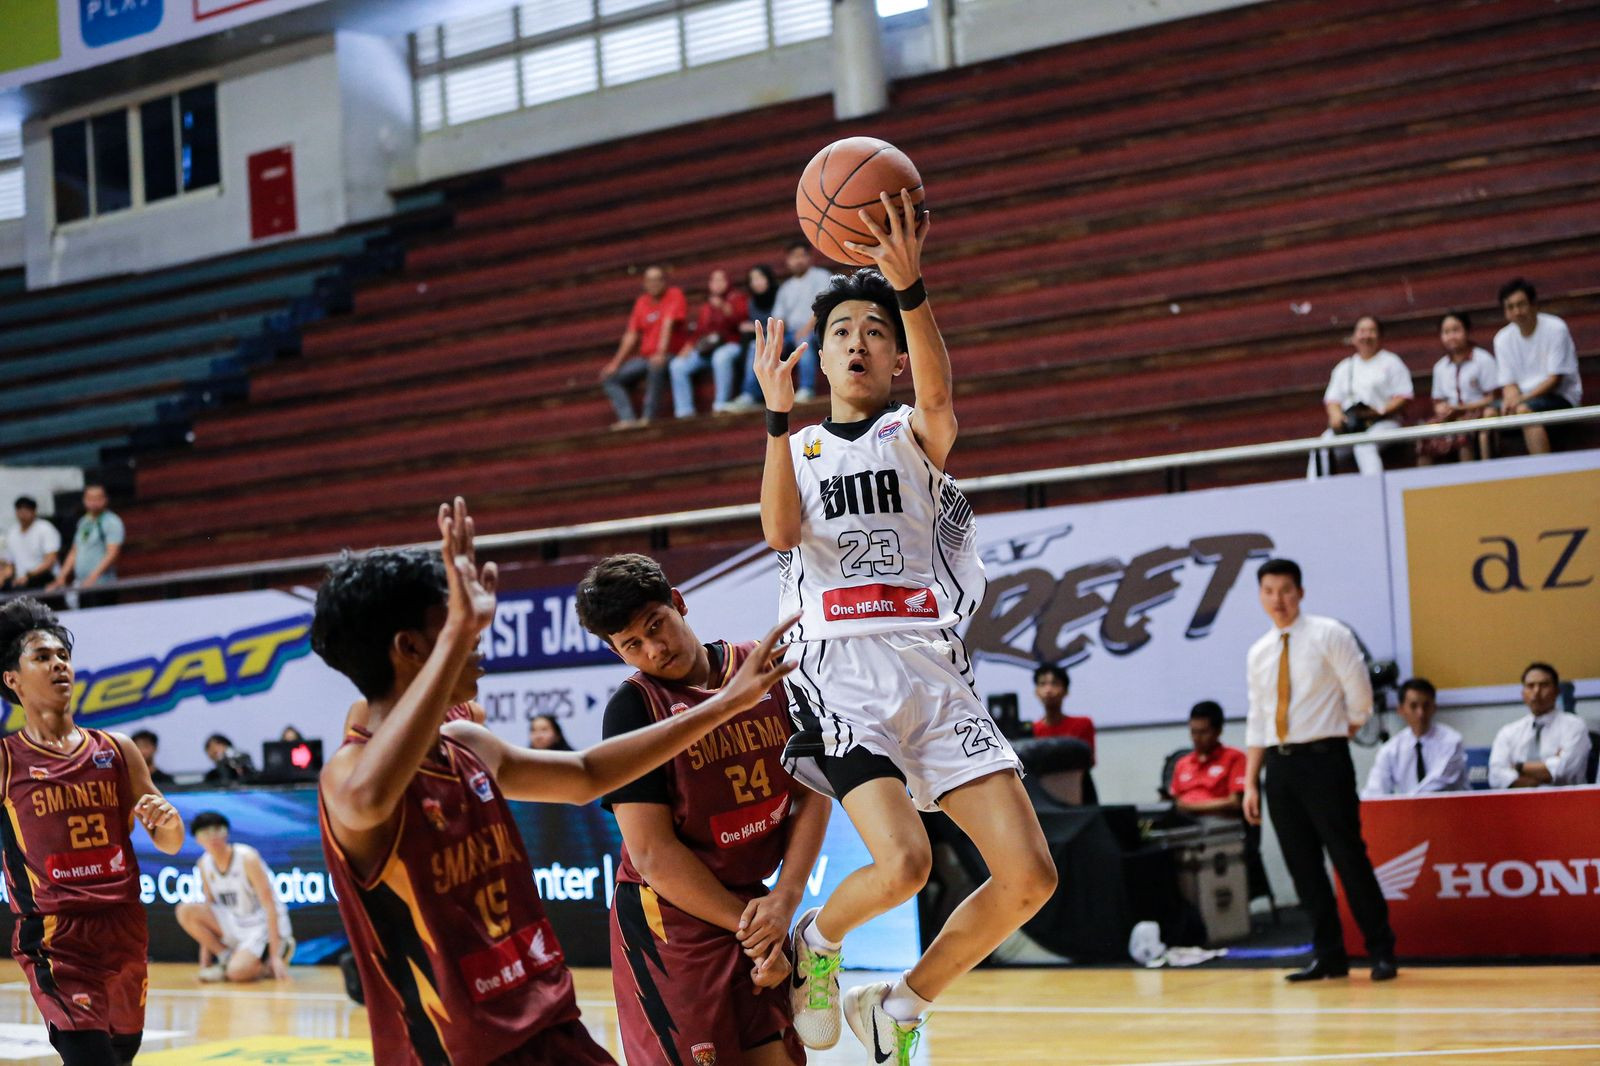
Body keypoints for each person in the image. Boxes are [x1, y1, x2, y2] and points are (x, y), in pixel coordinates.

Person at [313, 497, 798, 1065]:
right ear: (413, 648)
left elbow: (588, 774)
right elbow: (367, 791)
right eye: (453, 625)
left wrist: (723, 705)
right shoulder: (350, 776)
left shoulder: (467, 744)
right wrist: (452, 641)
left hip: (545, 1016)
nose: (477, 638)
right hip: (456, 1048)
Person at [756, 192, 1056, 1063]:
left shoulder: (915, 434)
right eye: (841, 331)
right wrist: (774, 420)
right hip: (841, 671)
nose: (857, 341)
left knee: (1030, 877)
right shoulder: (800, 449)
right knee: (906, 864)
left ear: (895, 359)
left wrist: (910, 287)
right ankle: (818, 942)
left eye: (875, 332)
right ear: (822, 358)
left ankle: (900, 1005)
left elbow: (940, 390)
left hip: (931, 667)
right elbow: (780, 532)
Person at [577, 553, 829, 1066]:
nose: (654, 649)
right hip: (671, 921)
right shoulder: (633, 708)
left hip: (754, 904)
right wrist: (758, 932)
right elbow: (653, 853)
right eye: (632, 645)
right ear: (615, 651)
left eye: (656, 625)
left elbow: (813, 791)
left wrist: (785, 898)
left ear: (678, 602)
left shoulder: (765, 668)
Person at [0, 597, 183, 1065]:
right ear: (12, 679)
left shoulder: (117, 749)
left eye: (63, 655)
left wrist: (168, 821)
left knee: (121, 1055)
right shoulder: (7, 760)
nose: (58, 664)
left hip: (124, 926)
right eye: (42, 656)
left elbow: (171, 841)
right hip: (56, 934)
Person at [1242, 558, 1397, 983]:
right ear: (1260, 596)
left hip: (1325, 759)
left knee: (1348, 857)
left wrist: (1336, 736)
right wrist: (1250, 782)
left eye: (1286, 590)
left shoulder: (1330, 634)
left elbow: (1360, 697)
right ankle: (1329, 954)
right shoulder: (1259, 652)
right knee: (1302, 864)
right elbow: (1258, 718)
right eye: (1269, 591)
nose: (1278, 600)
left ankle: (1381, 950)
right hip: (1279, 765)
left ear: (1301, 592)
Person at [175, 811, 295, 983]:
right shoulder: (204, 864)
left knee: (237, 973)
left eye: (218, 829)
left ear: (227, 832)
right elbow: (209, 908)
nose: (213, 836)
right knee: (185, 910)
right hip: (235, 924)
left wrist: (275, 956)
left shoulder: (247, 858)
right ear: (197, 839)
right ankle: (226, 958)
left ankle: (275, 955)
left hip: (260, 927)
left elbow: (270, 905)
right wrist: (205, 963)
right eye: (205, 832)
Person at [1309, 316, 1413, 477]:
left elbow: (1403, 396)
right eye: (1362, 331)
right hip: (1352, 425)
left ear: (1379, 336)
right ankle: (1315, 489)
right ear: (1354, 337)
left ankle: (1374, 488)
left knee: (1364, 446)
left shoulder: (1391, 362)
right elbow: (1333, 400)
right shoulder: (1345, 367)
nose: (1366, 336)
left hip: (1383, 422)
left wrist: (1380, 411)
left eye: (1371, 331)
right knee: (1321, 447)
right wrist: (1336, 417)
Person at [1493, 278, 1582, 455]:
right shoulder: (1501, 338)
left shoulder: (1556, 328)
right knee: (1489, 413)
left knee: (1524, 411)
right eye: (1510, 307)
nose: (1517, 311)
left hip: (1560, 397)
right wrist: (1511, 400)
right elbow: (1508, 383)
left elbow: (1555, 380)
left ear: (1533, 305)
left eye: (1521, 304)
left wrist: (1521, 399)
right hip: (1524, 398)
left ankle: (1543, 467)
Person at [739, 242, 832, 408]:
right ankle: (750, 394)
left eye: (801, 256)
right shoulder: (786, 288)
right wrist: (776, 339)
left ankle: (806, 388)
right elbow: (778, 317)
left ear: (809, 257)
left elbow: (824, 306)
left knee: (803, 341)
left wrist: (806, 328)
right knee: (758, 346)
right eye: (794, 257)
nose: (798, 260)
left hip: (817, 328)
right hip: (790, 332)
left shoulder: (822, 276)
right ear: (788, 261)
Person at [601, 265, 689, 428]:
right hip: (646, 356)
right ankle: (628, 419)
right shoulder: (642, 302)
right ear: (645, 284)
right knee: (609, 377)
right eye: (650, 280)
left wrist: (661, 353)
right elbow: (631, 335)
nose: (654, 284)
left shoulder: (674, 294)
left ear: (664, 282)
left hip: (670, 353)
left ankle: (648, 418)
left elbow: (668, 324)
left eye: (657, 280)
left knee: (655, 366)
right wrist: (615, 363)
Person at [1487, 662, 1591, 789]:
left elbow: (1564, 772)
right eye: (1530, 686)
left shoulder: (1574, 726)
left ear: (1557, 691)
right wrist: (1545, 772)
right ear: (1523, 693)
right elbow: (1495, 777)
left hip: (1565, 799)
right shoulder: (1509, 732)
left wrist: (1517, 766)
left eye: (1544, 685)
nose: (1536, 692)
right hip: (1518, 799)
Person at [1361, 679, 1467, 797]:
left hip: (1450, 807)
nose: (1421, 713)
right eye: (1413, 706)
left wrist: (1407, 802)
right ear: (1401, 710)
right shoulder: (1391, 749)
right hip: (1407, 807)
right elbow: (1375, 790)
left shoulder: (1452, 741)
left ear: (1434, 707)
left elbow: (1438, 783)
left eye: (1426, 706)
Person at [1418, 311, 1498, 465]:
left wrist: (1462, 408)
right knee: (1423, 435)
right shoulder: (1440, 367)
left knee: (1463, 435)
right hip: (1451, 416)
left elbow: (1492, 398)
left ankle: (1470, 475)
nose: (1451, 336)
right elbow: (1437, 401)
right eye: (1446, 332)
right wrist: (1442, 409)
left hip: (1478, 412)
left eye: (1456, 330)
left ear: (1467, 331)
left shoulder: (1483, 360)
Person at [671, 268, 750, 418]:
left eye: (721, 280)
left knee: (720, 357)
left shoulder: (737, 298)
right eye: (714, 280)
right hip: (708, 348)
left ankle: (720, 404)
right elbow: (699, 331)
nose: (717, 284)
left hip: (731, 344)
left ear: (727, 282)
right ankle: (684, 411)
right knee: (677, 365)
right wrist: (688, 347)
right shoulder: (707, 306)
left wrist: (724, 308)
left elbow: (742, 323)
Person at [45, 485, 125, 606]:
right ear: (84, 500)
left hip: (102, 585)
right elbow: (74, 551)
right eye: (90, 498)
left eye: (98, 498)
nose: (94, 502)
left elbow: (112, 553)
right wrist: (61, 576)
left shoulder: (112, 522)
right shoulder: (83, 522)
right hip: (83, 584)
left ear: (105, 499)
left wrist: (93, 577)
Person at [1169, 701, 1249, 817]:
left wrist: (1189, 807)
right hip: (1184, 821)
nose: (1196, 738)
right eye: (1193, 732)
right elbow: (1174, 800)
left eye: (1203, 732)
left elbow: (1235, 803)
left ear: (1218, 731)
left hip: (1219, 821)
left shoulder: (1235, 758)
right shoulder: (1182, 763)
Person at [1028, 663, 1096, 761]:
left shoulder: (1083, 724)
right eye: (1042, 684)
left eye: (1054, 683)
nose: (1048, 690)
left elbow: (1089, 761)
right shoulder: (1032, 731)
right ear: (1036, 691)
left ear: (1066, 690)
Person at [3, 497, 61, 591]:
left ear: (34, 511)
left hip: (43, 577)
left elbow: (50, 561)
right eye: (20, 510)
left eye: (26, 510)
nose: (23, 514)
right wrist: (4, 578)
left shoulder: (45, 528)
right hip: (21, 580)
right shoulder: (12, 533)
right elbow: (9, 564)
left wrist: (28, 576)